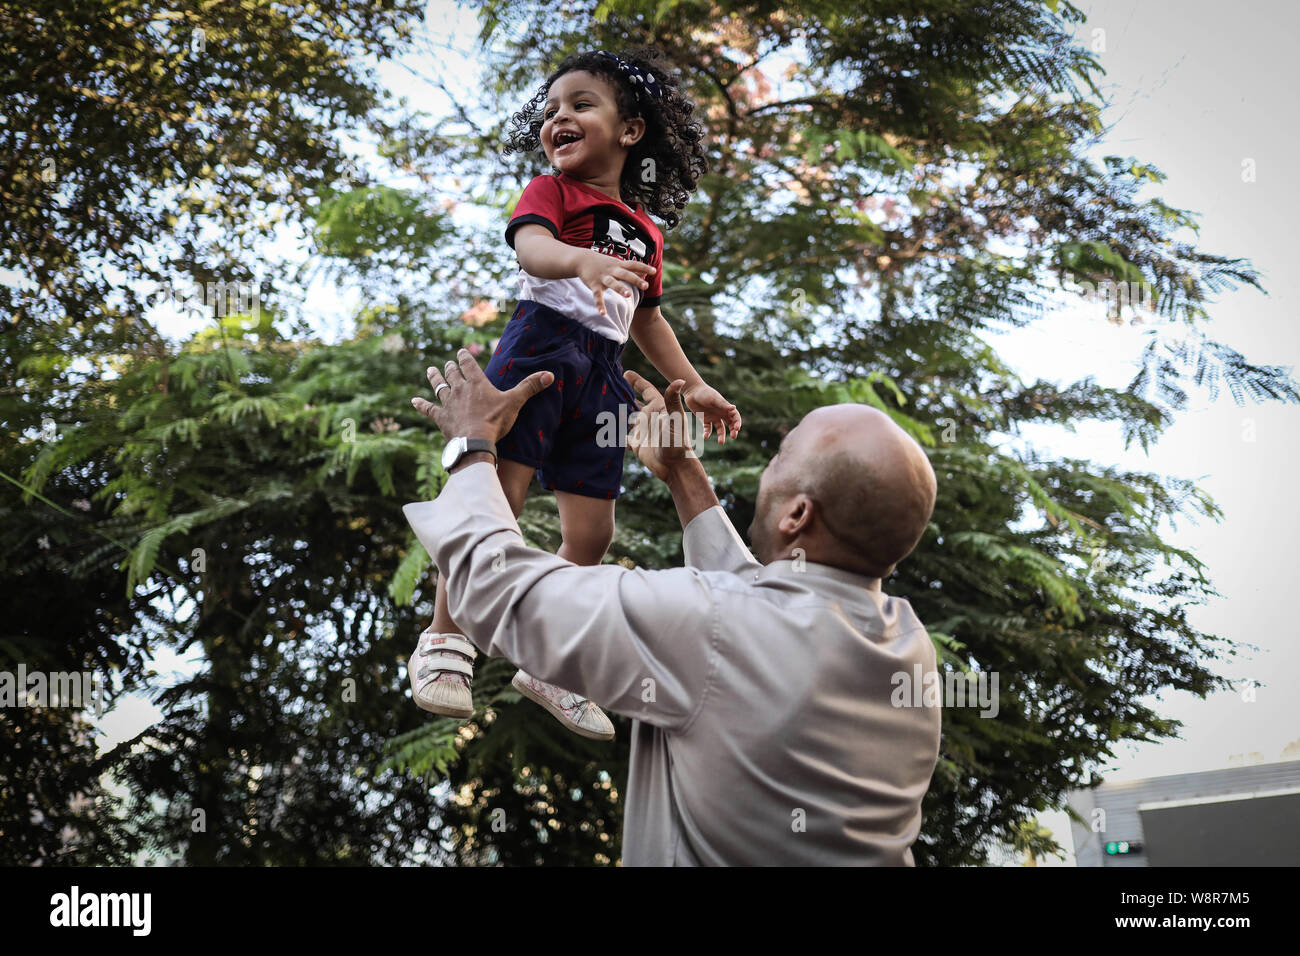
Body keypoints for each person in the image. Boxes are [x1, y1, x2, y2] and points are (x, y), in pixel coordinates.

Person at [404, 348, 943, 865]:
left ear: (797, 515)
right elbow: (761, 603)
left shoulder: (712, 626)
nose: (768, 468)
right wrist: (682, 469)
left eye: (781, 457)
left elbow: (501, 593)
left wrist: (471, 446)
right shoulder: (909, 649)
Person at [407, 49, 742, 740]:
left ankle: (549, 662)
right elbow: (531, 250)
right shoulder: (551, 192)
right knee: (497, 497)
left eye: (581, 104)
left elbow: (647, 319)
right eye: (552, 108)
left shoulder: (646, 233)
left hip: (603, 372)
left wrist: (696, 383)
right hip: (541, 347)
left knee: (593, 533)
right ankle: (445, 640)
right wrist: (579, 260)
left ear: (630, 131)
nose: (559, 116)